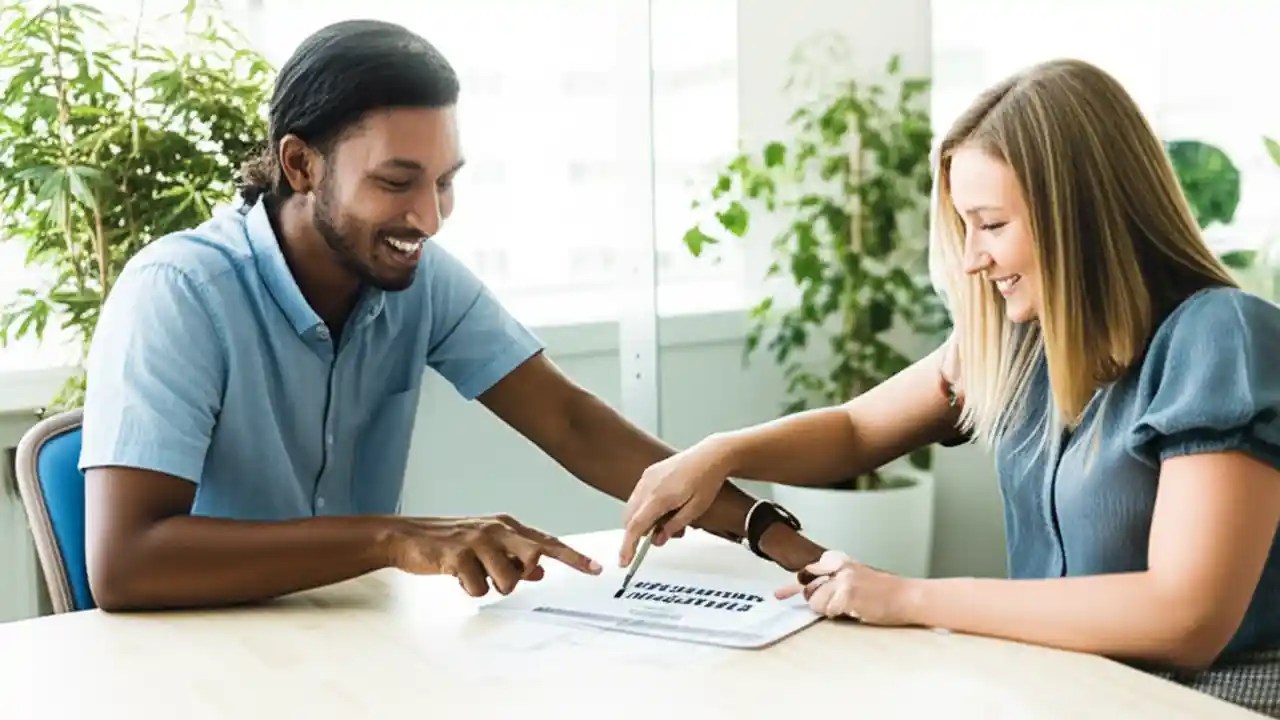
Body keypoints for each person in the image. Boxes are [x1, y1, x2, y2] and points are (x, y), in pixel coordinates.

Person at [78, 19, 825, 612]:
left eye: (445, 182)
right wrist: (395, 539)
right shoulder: (178, 292)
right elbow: (127, 563)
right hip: (201, 665)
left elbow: (569, 422)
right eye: (397, 182)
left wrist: (763, 529)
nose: (429, 219)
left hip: (352, 644)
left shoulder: (416, 276)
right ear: (301, 165)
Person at [619, 58, 1280, 715]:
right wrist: (720, 454)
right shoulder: (1019, 342)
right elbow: (856, 431)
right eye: (965, 227)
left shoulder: (1220, 338)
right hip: (1069, 689)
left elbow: (1186, 617)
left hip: (1214, 698)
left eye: (991, 225)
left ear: (1079, 214)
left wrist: (905, 597)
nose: (971, 258)